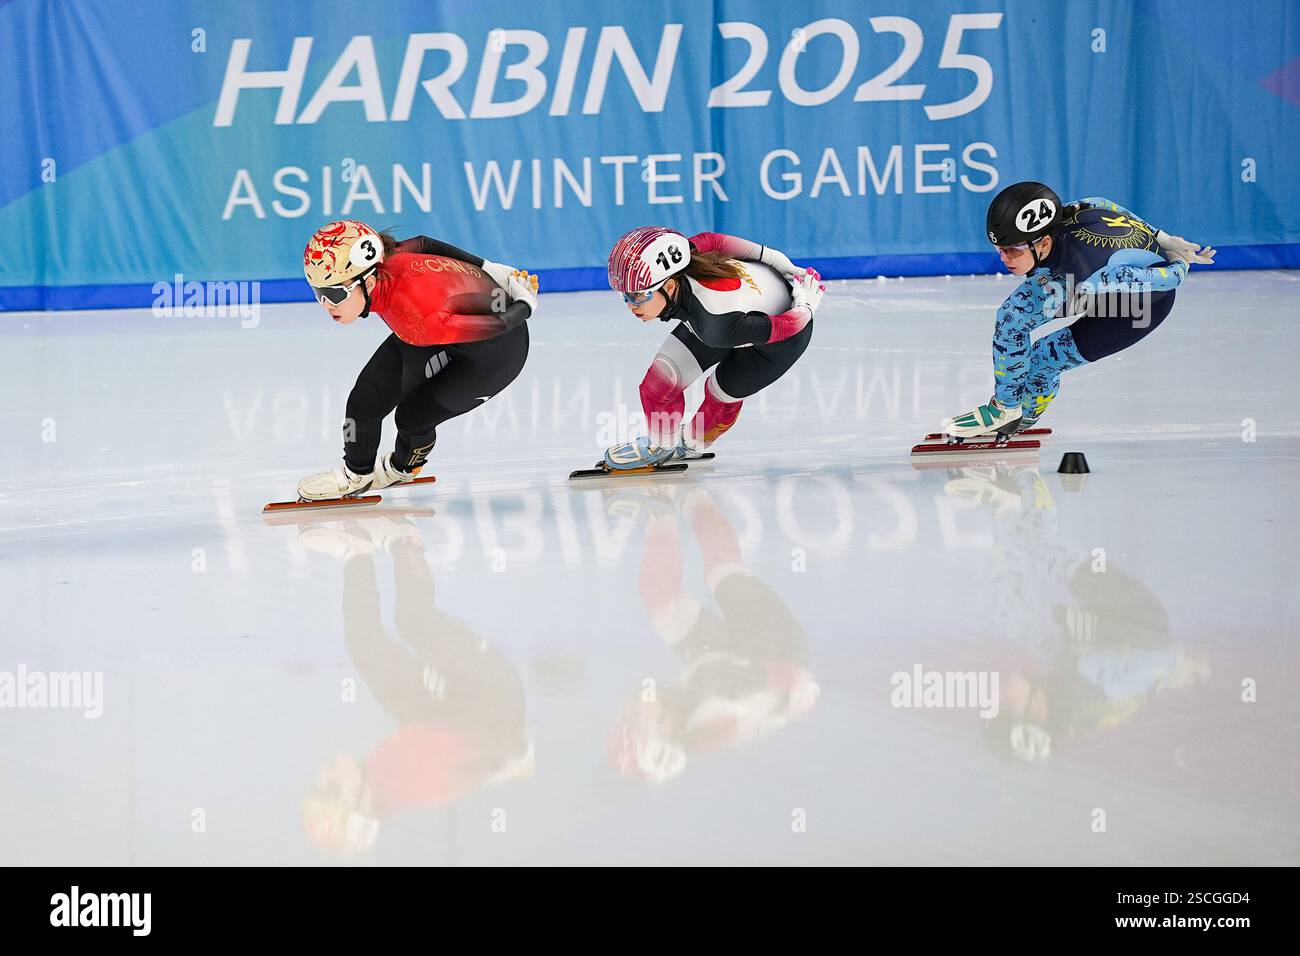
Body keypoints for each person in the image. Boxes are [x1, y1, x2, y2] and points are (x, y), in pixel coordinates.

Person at [944, 182, 1216, 437]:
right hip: (1087, 281)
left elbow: (1173, 280)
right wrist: (1160, 235)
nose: (1003, 258)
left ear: (1044, 243)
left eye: (1012, 250)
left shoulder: (1097, 270)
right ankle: (1008, 410)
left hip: (1139, 306)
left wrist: (1177, 260)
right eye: (999, 249)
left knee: (1042, 356)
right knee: (1012, 320)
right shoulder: (1068, 213)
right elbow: (1100, 202)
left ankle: (1014, 415)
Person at [296, 220, 538, 499]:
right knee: (365, 400)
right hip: (441, 321)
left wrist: (525, 304)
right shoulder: (388, 258)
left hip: (497, 353)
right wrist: (489, 267)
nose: (327, 305)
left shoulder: (419, 321)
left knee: (413, 417)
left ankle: (403, 468)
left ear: (370, 281)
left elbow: (499, 323)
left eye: (335, 294)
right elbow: (424, 243)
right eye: (319, 294)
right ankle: (356, 475)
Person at [601, 227, 825, 470]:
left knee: (721, 392)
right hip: (734, 315)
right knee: (659, 384)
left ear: (671, 287)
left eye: (637, 296)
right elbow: (716, 240)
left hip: (779, 343)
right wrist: (783, 264)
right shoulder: (685, 256)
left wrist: (805, 307)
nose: (630, 305)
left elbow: (785, 327)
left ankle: (692, 444)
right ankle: (661, 447)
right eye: (625, 296)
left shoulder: (715, 325)